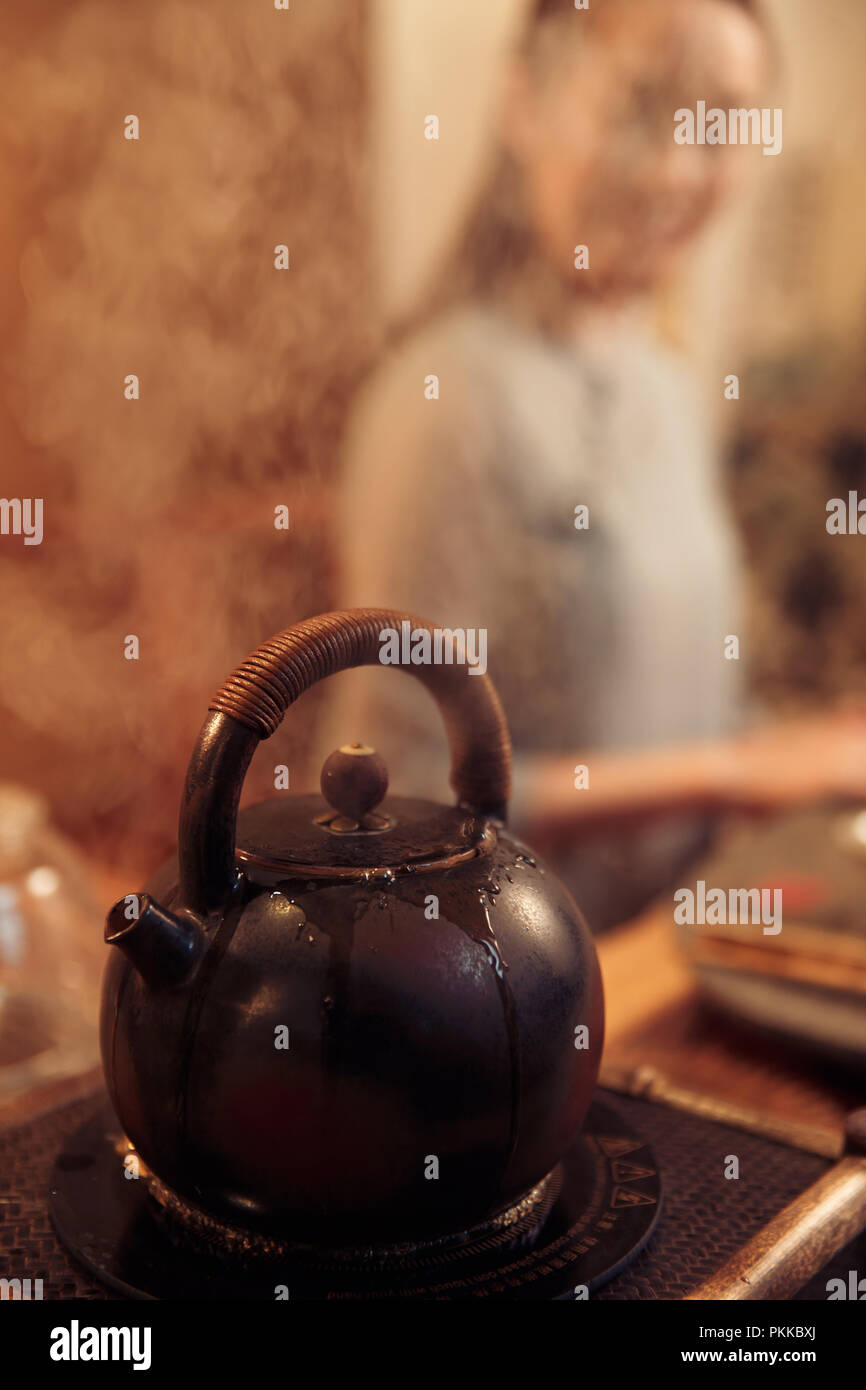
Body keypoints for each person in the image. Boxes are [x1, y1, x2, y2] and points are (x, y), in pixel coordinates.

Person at [320, 0, 866, 932]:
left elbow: (681, 708)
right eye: (642, 106)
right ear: (524, 100)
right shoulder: (445, 401)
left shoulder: (664, 382)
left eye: (722, 124)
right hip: (514, 983)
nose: (672, 167)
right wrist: (737, 773)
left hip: (674, 953)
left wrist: (800, 747)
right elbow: (405, 793)